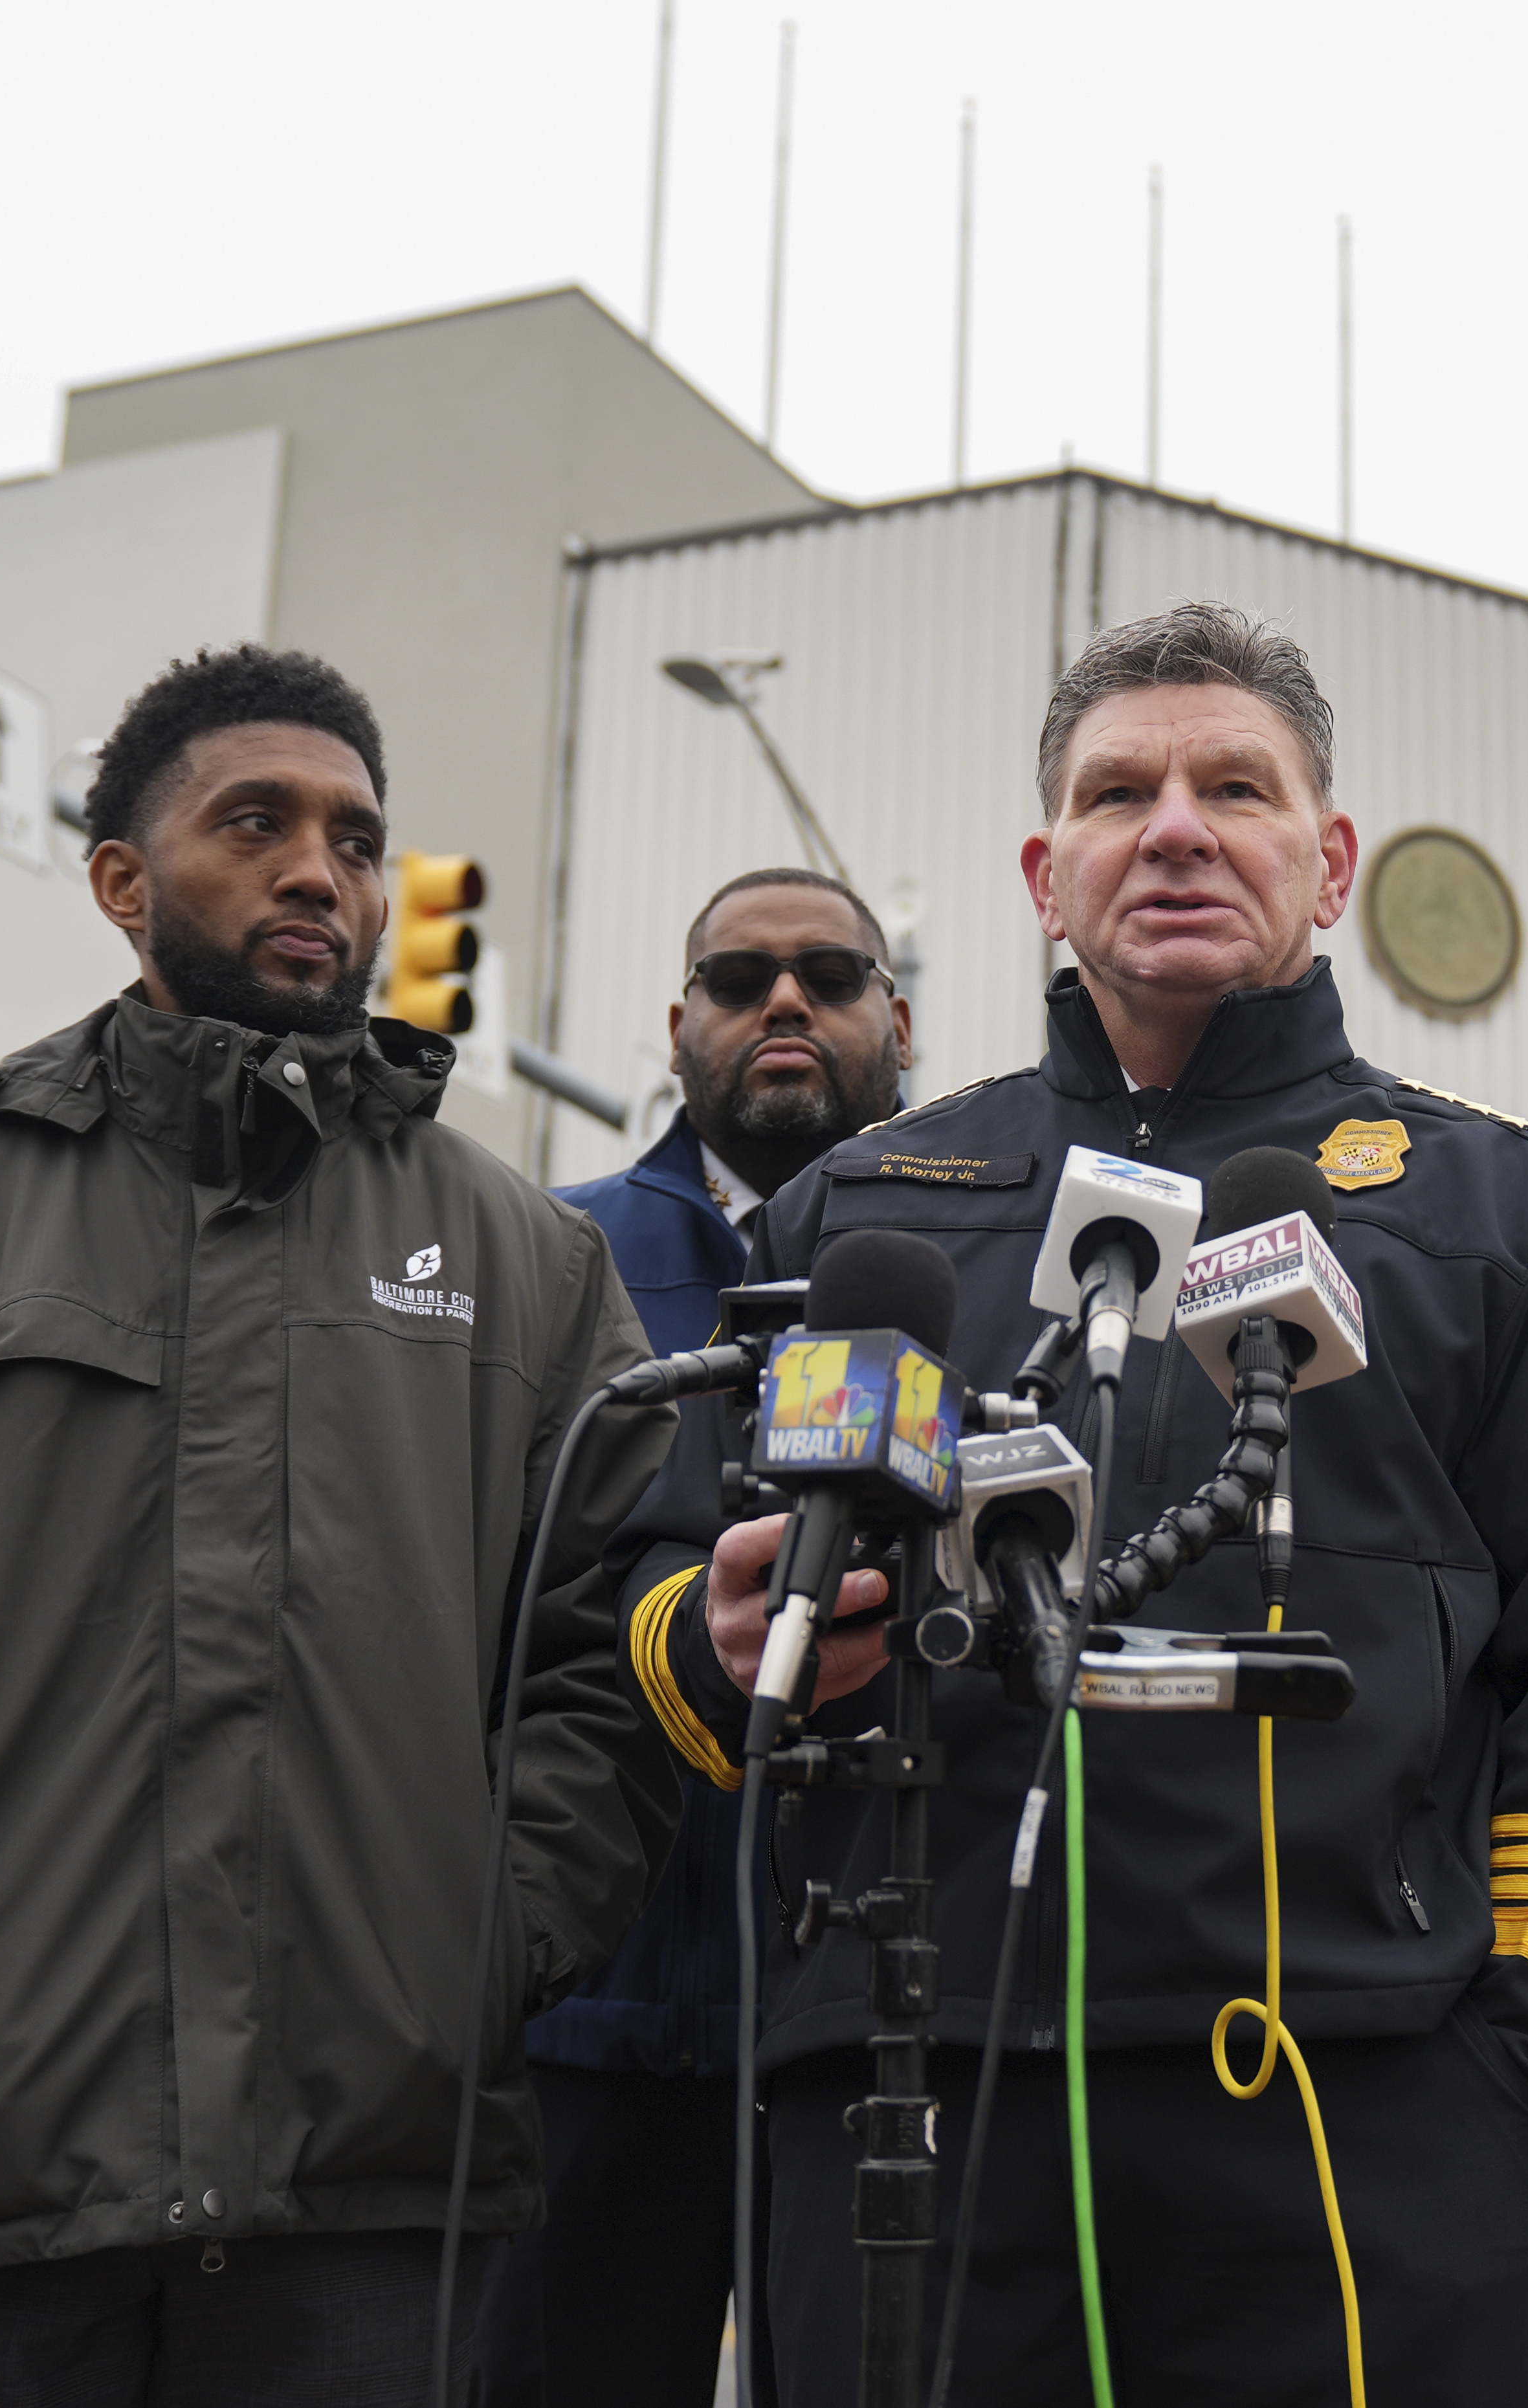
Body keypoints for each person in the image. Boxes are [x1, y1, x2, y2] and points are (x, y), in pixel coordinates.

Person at [642, 600, 1528, 2407]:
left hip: (1343, 2106)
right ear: (1041, 869)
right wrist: (718, 1634)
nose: (1172, 826)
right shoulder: (855, 1217)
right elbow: (648, 1590)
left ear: (1325, 861)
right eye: (1116, 791)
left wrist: (1516, 2037)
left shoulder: (1497, 1211)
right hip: (908, 2092)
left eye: (1235, 787)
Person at [0, 645, 678, 2403]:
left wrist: (482, 1951)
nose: (314, 871)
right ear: (122, 881)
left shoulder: (528, 1268)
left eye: (353, 836)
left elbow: (614, 1651)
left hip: (370, 2197)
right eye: (252, 822)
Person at [478, 865, 913, 2405]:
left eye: (827, 975)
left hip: (872, 2021)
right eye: (740, 981)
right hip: (600, 2018)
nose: (783, 1002)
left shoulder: (981, 1255)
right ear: (679, 1026)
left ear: (898, 1019)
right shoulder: (549, 1254)